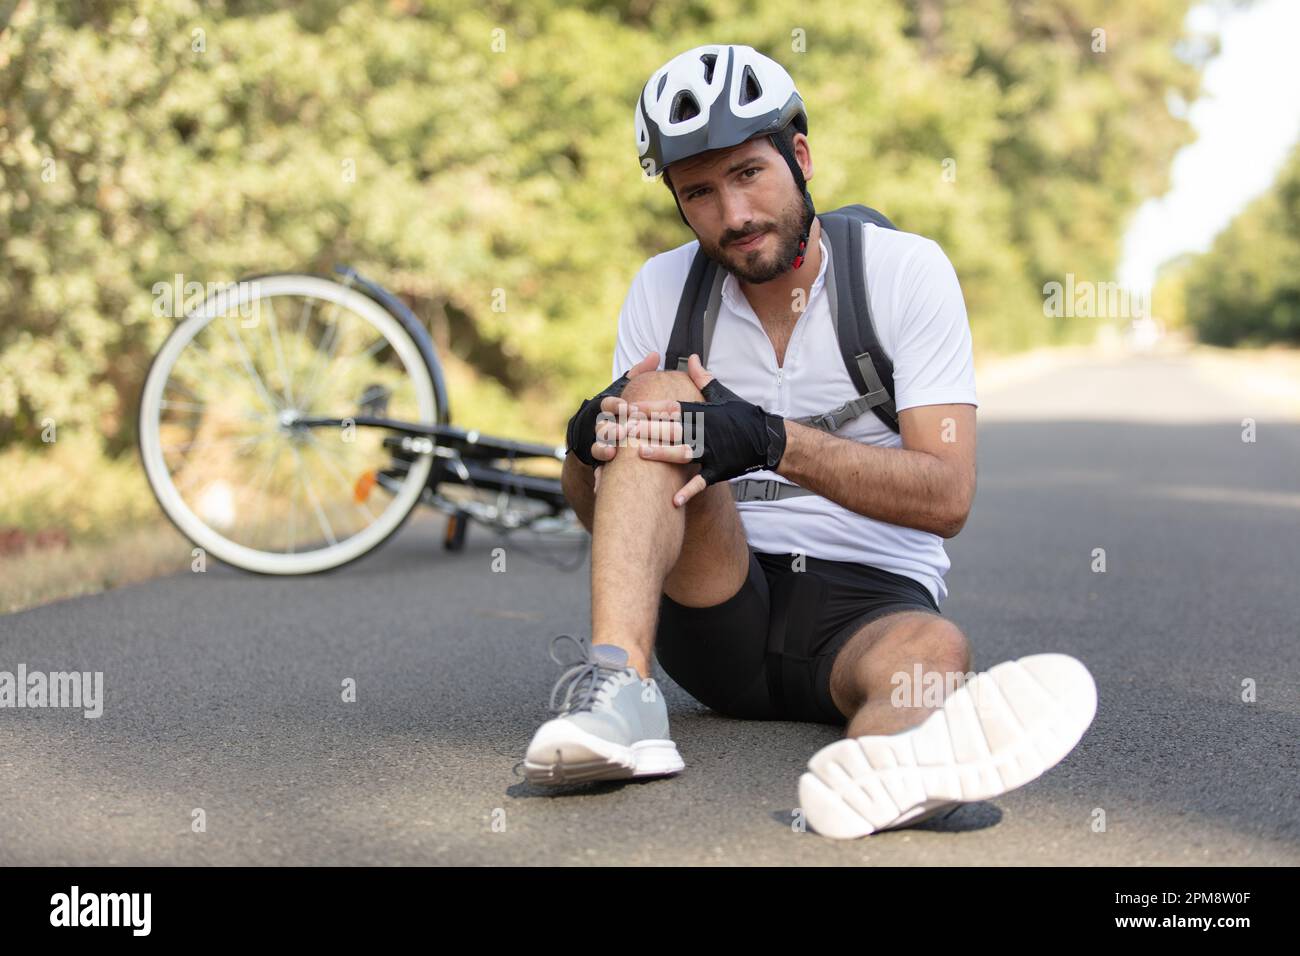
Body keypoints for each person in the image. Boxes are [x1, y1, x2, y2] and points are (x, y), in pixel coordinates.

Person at [521, 43, 1096, 838]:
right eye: (700, 193)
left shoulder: (905, 274)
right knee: (649, 397)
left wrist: (766, 439)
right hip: (718, 599)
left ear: (800, 155)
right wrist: (586, 450)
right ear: (678, 204)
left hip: (871, 606)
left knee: (934, 651)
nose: (735, 216)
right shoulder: (662, 288)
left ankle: (888, 769)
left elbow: (948, 495)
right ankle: (621, 692)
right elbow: (608, 515)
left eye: (749, 174)